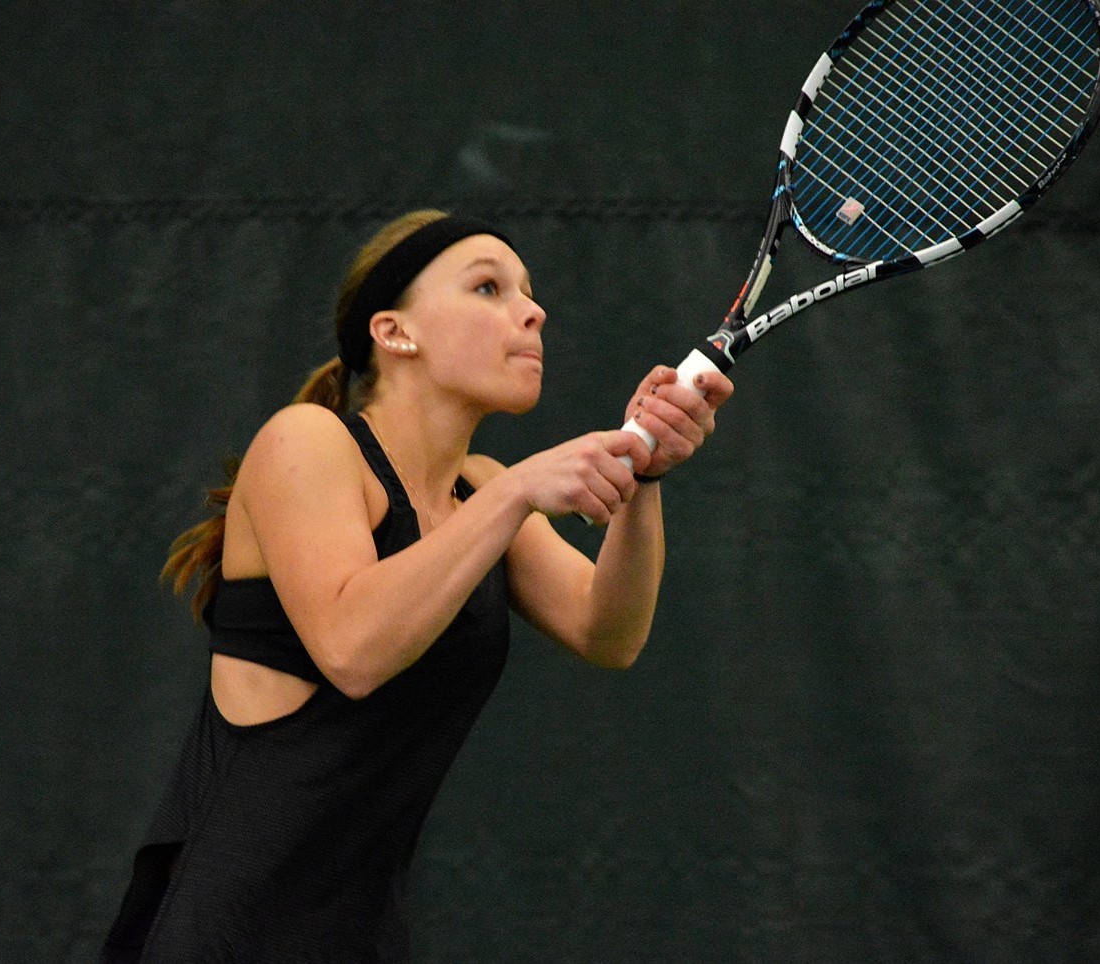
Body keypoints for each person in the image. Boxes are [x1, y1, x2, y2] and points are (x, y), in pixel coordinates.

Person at [101, 210, 733, 963]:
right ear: (394, 332)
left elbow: (608, 633)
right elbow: (351, 648)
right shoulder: (306, 442)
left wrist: (643, 480)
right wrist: (516, 495)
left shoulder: (483, 490)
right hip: (227, 934)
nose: (532, 311)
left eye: (528, 293)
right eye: (488, 287)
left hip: (363, 936)